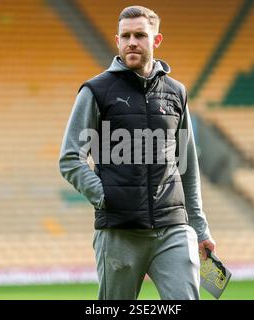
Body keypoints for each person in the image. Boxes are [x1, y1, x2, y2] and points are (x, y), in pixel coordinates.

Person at [59, 5, 215, 300]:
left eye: (140, 35)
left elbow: (188, 166)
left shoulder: (176, 92)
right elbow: (70, 158)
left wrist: (200, 228)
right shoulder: (95, 91)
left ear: (155, 41)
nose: (132, 41)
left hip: (173, 228)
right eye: (126, 36)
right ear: (117, 41)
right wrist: (106, 196)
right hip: (119, 232)